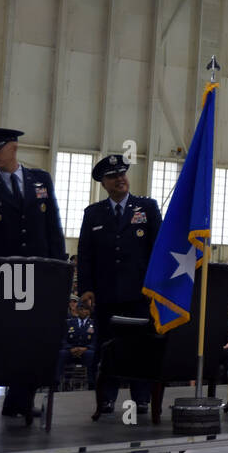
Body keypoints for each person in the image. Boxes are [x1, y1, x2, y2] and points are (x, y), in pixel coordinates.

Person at [0, 128, 65, 422]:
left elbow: (53, 227)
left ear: (13, 147)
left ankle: (20, 401)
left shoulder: (40, 181)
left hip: (37, 277)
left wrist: (58, 271)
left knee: (31, 340)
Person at [77, 153, 161, 417]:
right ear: (103, 182)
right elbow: (85, 253)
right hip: (107, 294)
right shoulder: (93, 214)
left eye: (123, 174)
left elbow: (157, 249)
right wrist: (86, 289)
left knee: (142, 347)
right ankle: (105, 398)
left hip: (139, 294)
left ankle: (142, 398)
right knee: (107, 346)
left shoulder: (146, 208)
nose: (120, 180)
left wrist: (157, 287)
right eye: (113, 176)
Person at [56, 301, 96, 389]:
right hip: (71, 350)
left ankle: (92, 383)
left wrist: (85, 348)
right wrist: (70, 348)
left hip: (86, 350)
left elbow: (95, 341)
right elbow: (63, 339)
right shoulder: (69, 323)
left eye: (85, 309)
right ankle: (56, 382)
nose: (82, 311)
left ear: (88, 311)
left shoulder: (94, 324)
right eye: (80, 309)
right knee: (61, 353)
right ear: (77, 310)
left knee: (91, 354)